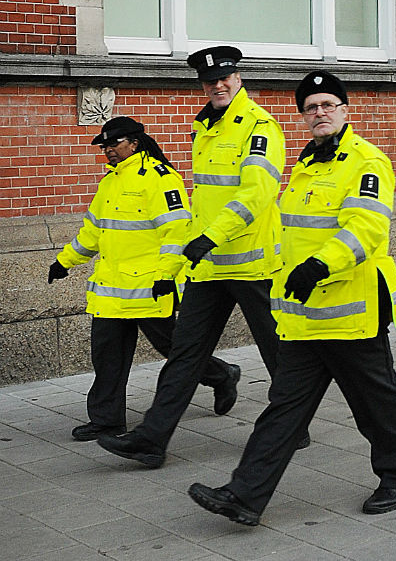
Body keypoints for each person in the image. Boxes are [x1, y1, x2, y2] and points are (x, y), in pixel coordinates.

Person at [188, 70, 396, 528]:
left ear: (345, 110)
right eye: (311, 108)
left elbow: (366, 228)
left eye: (328, 104)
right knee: (283, 411)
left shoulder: (366, 161)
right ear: (303, 117)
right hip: (303, 319)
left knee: (377, 406)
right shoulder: (304, 167)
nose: (319, 113)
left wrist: (320, 265)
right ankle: (245, 495)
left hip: (352, 313)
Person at [98, 44, 288, 470]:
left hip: (251, 263)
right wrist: (181, 260)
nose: (217, 85)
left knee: (277, 351)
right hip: (207, 266)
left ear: (238, 79)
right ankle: (151, 439)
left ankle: (292, 425)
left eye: (224, 78)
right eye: (209, 81)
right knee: (184, 354)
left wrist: (211, 237)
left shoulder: (259, 127)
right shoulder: (205, 128)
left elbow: (256, 194)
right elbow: (200, 202)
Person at [48, 116, 240, 440]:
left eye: (114, 144)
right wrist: (65, 261)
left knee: (175, 348)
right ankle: (106, 420)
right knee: (106, 356)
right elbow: (93, 231)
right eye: (105, 145)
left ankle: (222, 375)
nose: (108, 150)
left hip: (151, 285)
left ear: (134, 143)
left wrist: (167, 274)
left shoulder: (160, 178)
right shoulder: (110, 181)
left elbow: (177, 231)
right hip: (111, 288)